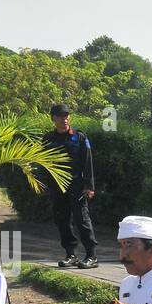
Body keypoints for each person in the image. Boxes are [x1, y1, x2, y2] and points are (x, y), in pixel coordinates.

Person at [42, 104, 98, 269]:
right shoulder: (47, 139)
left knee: (82, 219)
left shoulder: (79, 137)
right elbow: (43, 163)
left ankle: (91, 256)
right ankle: (70, 254)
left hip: (76, 184)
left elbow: (88, 163)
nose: (64, 119)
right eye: (60, 116)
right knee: (62, 220)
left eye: (66, 115)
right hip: (56, 185)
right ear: (53, 118)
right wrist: (43, 183)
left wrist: (89, 185)